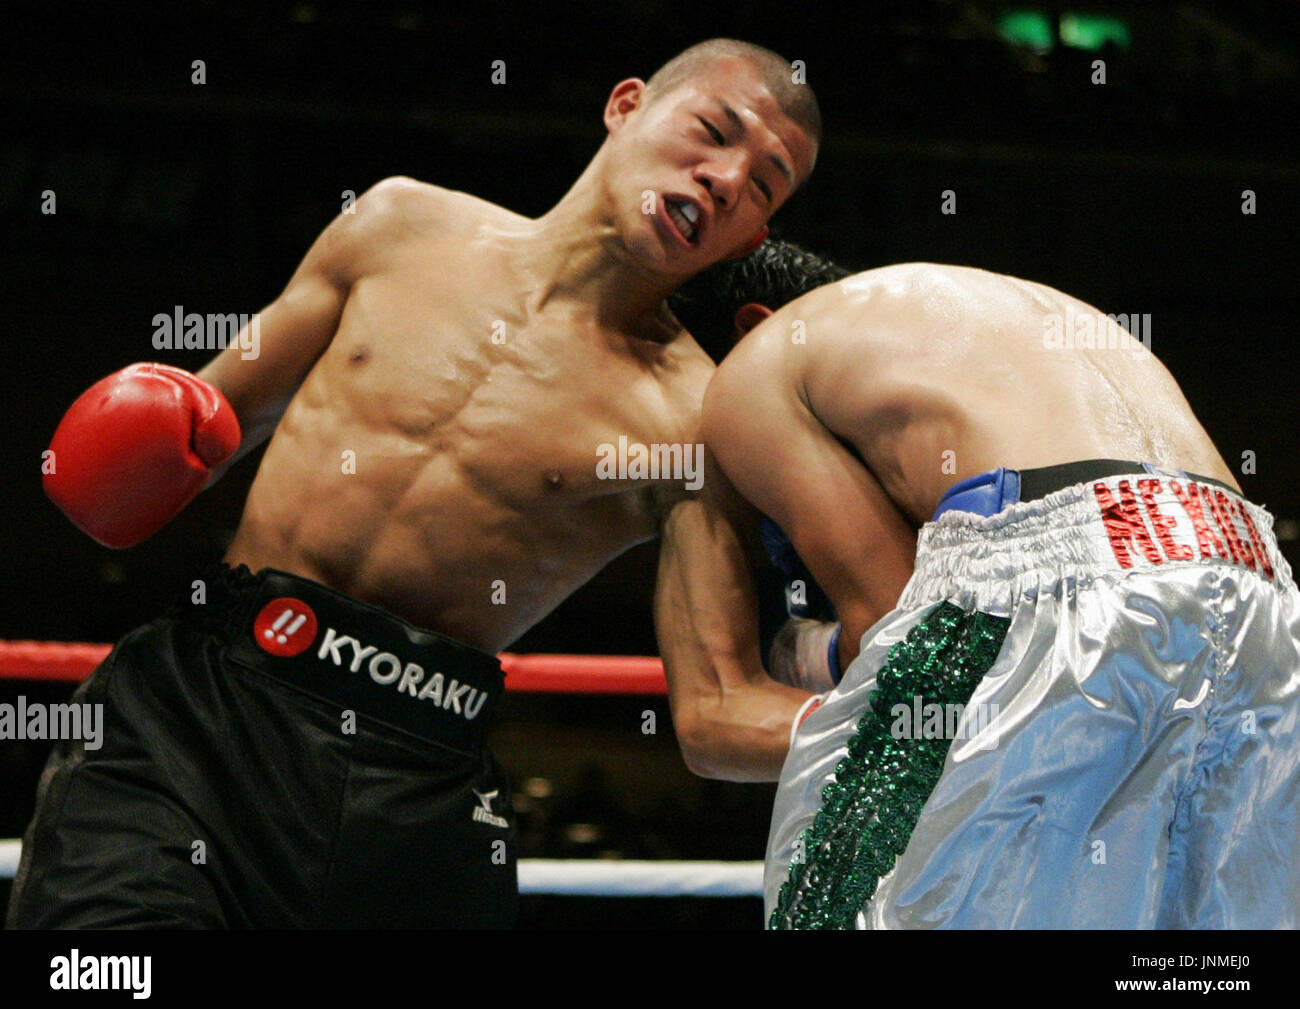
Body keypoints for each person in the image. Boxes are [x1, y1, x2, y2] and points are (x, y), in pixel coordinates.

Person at [10, 39, 820, 930]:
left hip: (415, 783)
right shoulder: (398, 226)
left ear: (758, 233)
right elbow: (202, 430)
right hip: (200, 720)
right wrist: (122, 453)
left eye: (764, 185)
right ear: (625, 104)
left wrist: (933, 722)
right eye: (712, 131)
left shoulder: (696, 423)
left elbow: (713, 713)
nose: (725, 178)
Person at [661, 248, 1300, 929]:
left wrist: (807, 654)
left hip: (1058, 573)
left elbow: (893, 621)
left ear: (749, 324)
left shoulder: (750, 367)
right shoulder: (985, 312)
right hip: (1262, 596)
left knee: (830, 904)